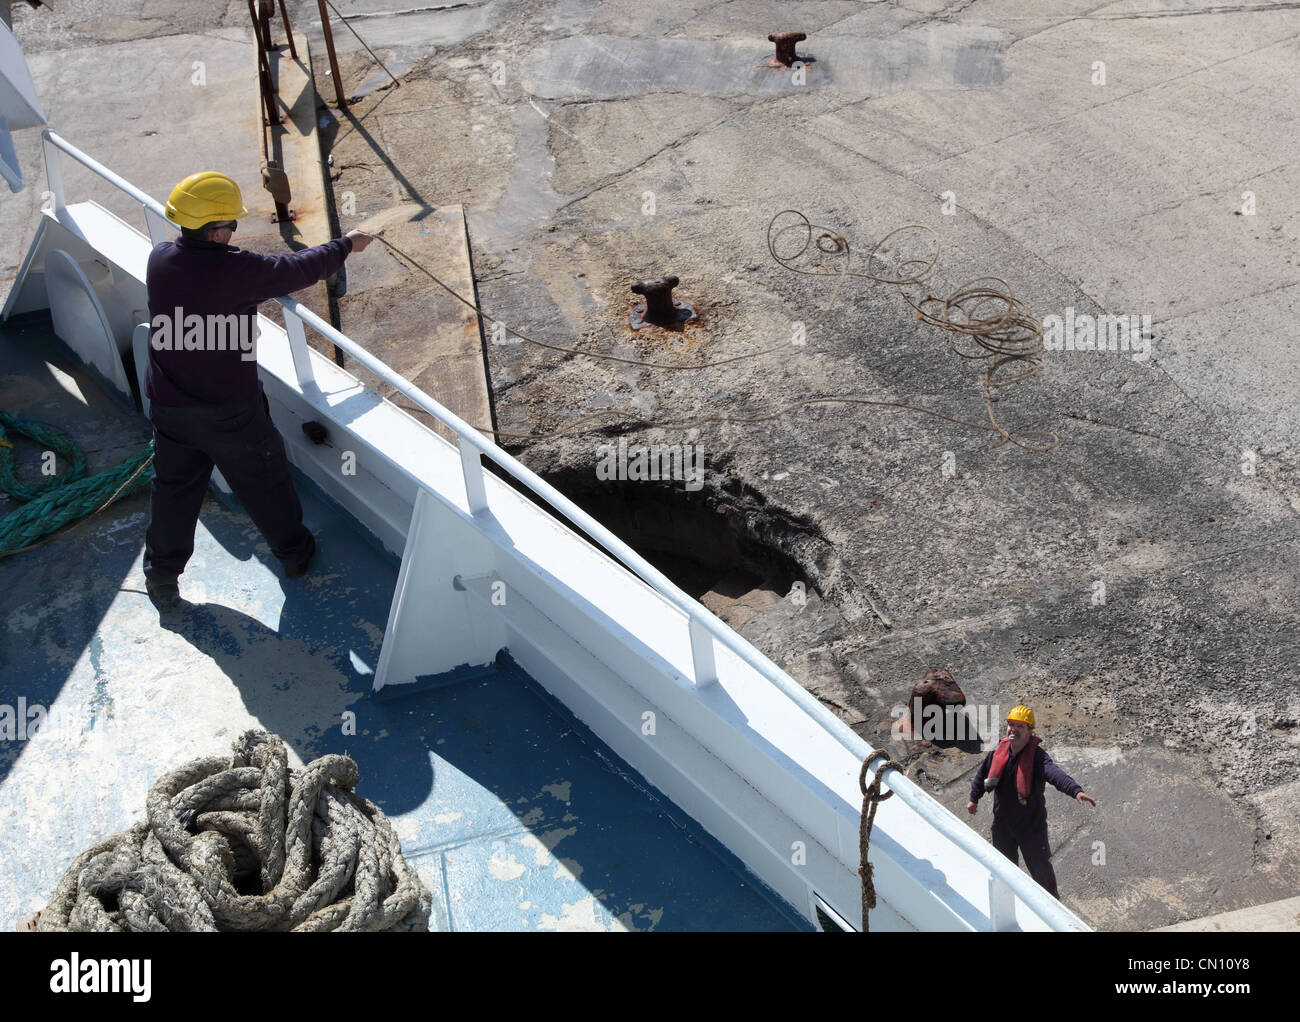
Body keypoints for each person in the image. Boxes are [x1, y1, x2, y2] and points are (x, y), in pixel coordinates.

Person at [142, 170, 373, 602]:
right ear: (216, 233)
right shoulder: (238, 272)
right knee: (264, 482)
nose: (234, 231)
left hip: (169, 406)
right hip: (229, 412)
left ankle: (161, 574)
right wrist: (347, 245)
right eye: (231, 224)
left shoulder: (159, 259)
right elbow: (298, 268)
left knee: (173, 492)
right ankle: (294, 554)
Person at [966, 704, 1095, 899]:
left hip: (1031, 830)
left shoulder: (1038, 758)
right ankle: (1010, 908)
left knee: (1042, 874)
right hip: (1002, 826)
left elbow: (1055, 774)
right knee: (1005, 871)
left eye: (1020, 726)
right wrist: (973, 798)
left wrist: (1076, 791)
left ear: (1029, 731)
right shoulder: (997, 752)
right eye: (1011, 724)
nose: (1013, 729)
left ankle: (1054, 911)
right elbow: (982, 774)